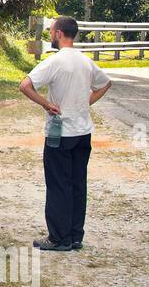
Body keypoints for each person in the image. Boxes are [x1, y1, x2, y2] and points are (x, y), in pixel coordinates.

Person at [19, 15, 112, 252]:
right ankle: (74, 235)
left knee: (58, 183)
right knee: (78, 183)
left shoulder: (55, 61)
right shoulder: (85, 61)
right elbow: (105, 83)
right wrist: (85, 102)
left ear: (59, 33)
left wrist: (45, 103)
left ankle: (58, 237)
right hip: (83, 130)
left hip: (60, 131)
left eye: (51, 31)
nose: (50, 35)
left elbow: (25, 85)